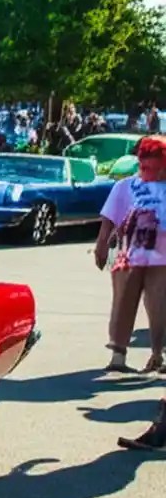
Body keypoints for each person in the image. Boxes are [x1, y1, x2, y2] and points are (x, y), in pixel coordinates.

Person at [95, 135, 166, 373]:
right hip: (129, 256)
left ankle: (158, 354)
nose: (148, 171)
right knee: (123, 302)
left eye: (155, 167)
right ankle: (118, 355)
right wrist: (101, 245)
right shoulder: (125, 186)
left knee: (159, 305)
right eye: (144, 165)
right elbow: (109, 218)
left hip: (162, 259)